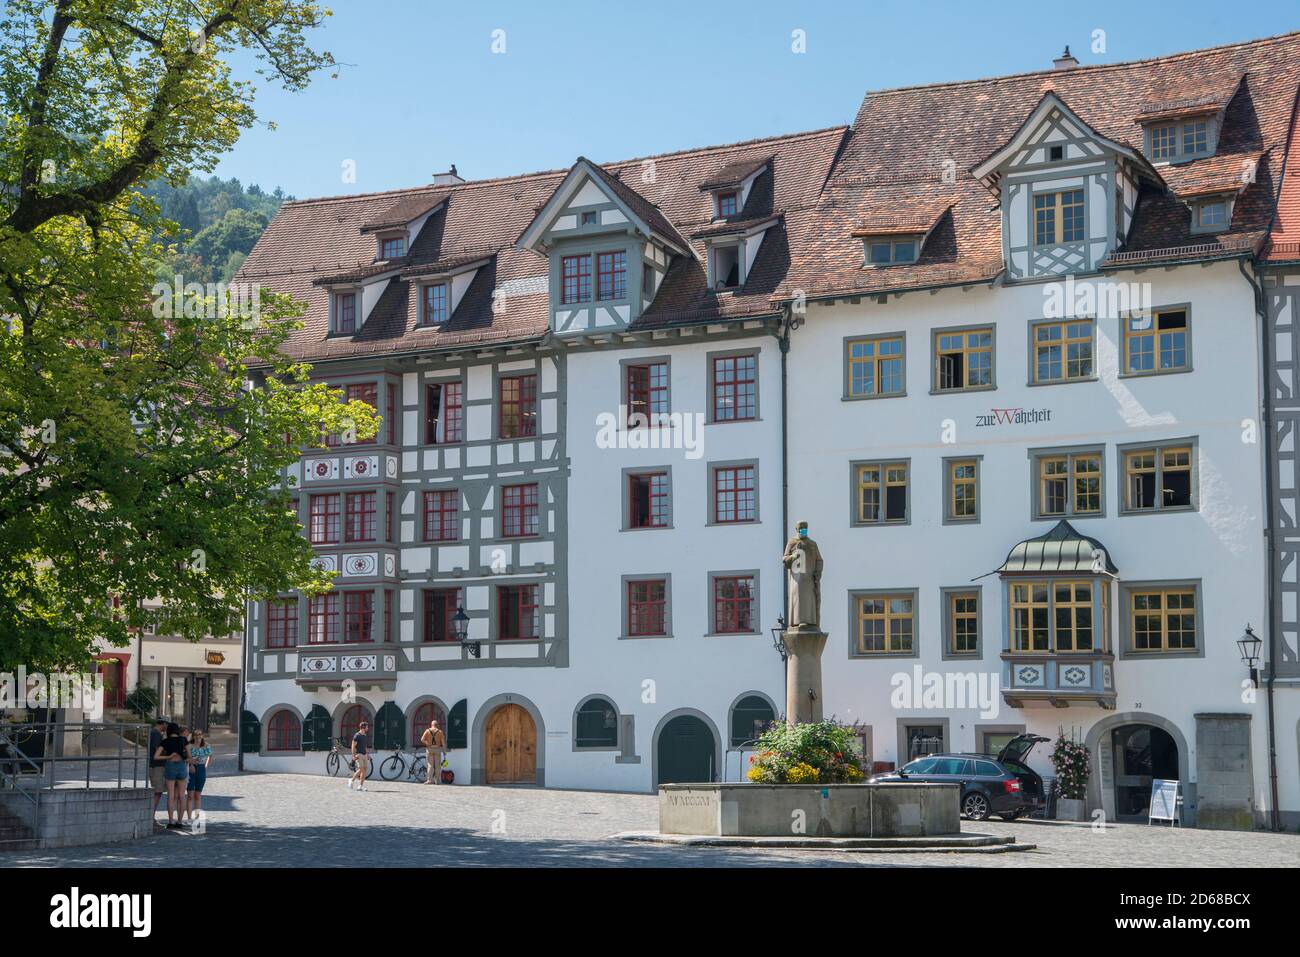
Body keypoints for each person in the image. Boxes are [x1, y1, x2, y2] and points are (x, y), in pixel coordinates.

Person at [154, 722, 190, 829]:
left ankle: (170, 821)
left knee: (171, 796)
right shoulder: (183, 740)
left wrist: (168, 756)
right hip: (182, 767)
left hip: (170, 766)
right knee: (182, 796)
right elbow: (190, 756)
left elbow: (156, 756)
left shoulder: (165, 741)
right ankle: (179, 822)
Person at [186, 730, 213, 825]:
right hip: (191, 769)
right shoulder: (189, 746)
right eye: (196, 735)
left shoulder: (206, 745)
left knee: (198, 795)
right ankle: (189, 818)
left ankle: (197, 817)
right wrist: (190, 765)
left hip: (201, 768)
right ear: (193, 736)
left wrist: (205, 766)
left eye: (200, 735)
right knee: (190, 795)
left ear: (202, 736)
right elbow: (188, 758)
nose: (198, 737)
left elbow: (210, 757)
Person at [148, 717, 168, 824]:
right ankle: (151, 817)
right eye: (167, 724)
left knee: (158, 791)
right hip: (157, 766)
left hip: (156, 765)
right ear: (163, 723)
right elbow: (158, 750)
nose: (167, 727)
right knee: (157, 791)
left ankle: (151, 816)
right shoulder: (156, 734)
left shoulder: (156, 733)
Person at [419, 719, 446, 785]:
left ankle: (430, 780)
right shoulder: (440, 732)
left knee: (430, 765)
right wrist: (444, 751)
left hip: (429, 749)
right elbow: (443, 742)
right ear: (437, 725)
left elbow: (422, 739)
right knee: (437, 766)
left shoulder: (427, 731)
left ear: (431, 725)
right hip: (437, 748)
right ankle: (437, 781)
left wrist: (427, 743)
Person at [349, 720, 370, 791]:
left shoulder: (364, 735)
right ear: (363, 727)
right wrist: (353, 755)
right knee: (361, 769)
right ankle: (351, 780)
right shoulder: (357, 735)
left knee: (364, 770)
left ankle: (360, 786)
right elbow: (353, 746)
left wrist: (367, 754)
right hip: (359, 754)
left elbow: (365, 746)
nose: (368, 728)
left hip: (364, 755)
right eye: (367, 726)